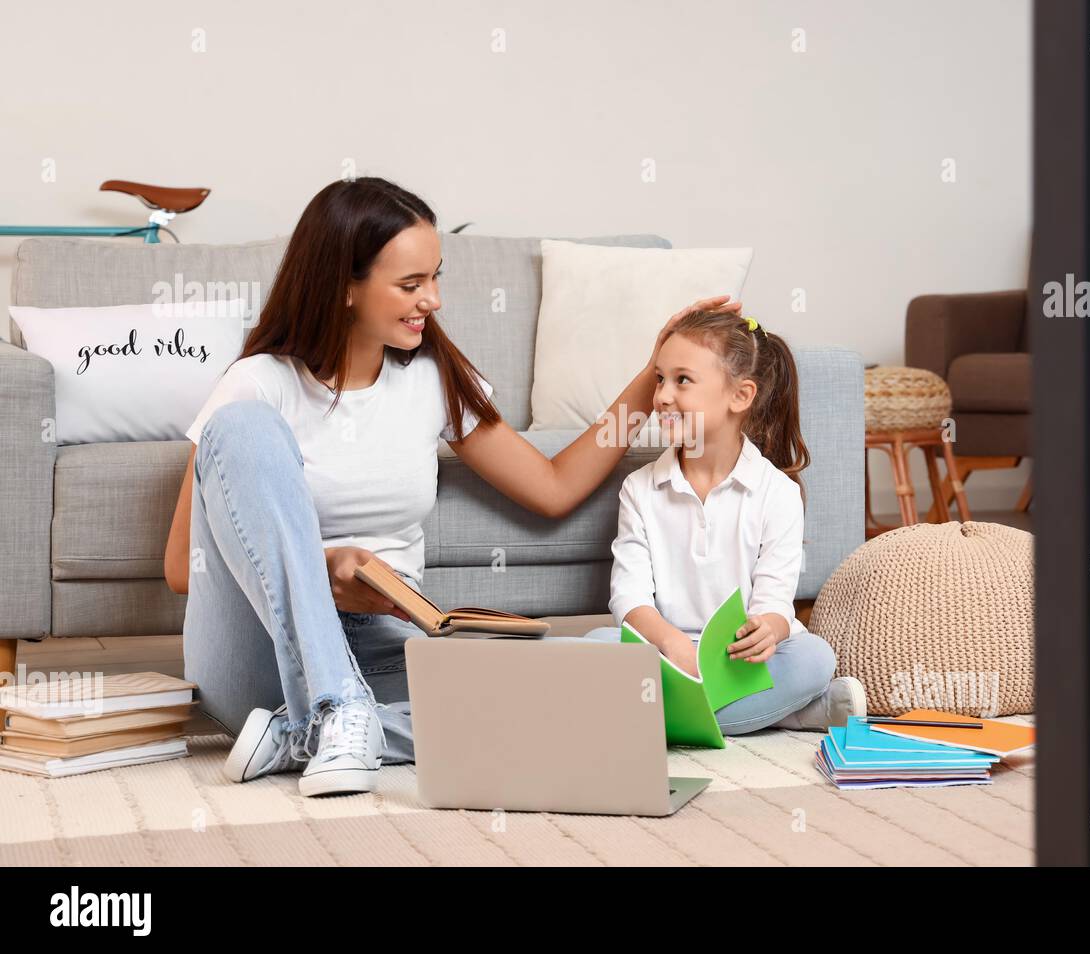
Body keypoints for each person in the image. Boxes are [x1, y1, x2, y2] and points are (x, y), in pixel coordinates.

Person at [164, 176, 741, 796]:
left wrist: (654, 373)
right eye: (411, 285)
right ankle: (333, 706)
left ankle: (306, 734)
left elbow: (554, 487)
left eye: (435, 277)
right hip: (261, 649)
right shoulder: (258, 384)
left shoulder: (431, 377)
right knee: (244, 425)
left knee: (598, 672)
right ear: (344, 286)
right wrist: (319, 569)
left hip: (386, 643)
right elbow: (181, 568)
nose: (432, 300)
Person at [581, 310, 867, 734]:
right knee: (593, 648)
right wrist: (672, 643)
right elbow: (628, 599)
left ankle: (671, 719)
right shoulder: (639, 489)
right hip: (666, 650)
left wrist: (766, 629)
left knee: (815, 657)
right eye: (660, 378)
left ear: (740, 396)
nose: (660, 396)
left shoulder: (778, 494)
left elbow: (774, 604)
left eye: (682, 380)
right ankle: (789, 714)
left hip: (738, 660)